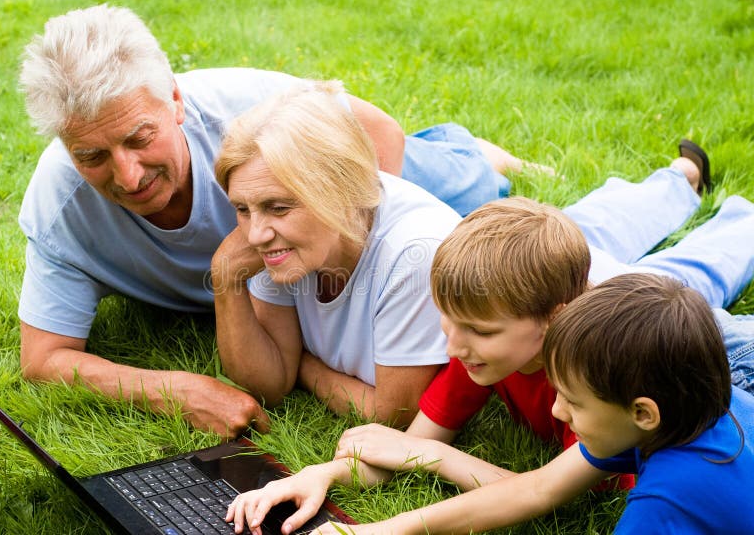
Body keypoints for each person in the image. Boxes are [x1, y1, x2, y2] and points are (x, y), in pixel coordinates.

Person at [16, 4, 544, 438]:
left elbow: (379, 134)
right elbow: (43, 359)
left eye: (139, 138)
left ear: (175, 101)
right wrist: (177, 385)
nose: (128, 177)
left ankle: (475, 152)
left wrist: (354, 244)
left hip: (359, 189)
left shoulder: (251, 114)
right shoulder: (59, 207)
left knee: (472, 184)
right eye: (92, 156)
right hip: (293, 258)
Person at [222, 143, 754, 533]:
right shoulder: (488, 344)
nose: (452, 347)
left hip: (707, 345)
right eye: (448, 322)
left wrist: (424, 456)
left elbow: (544, 489)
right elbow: (413, 443)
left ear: (552, 320)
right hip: (596, 288)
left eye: (476, 330)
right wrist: (323, 474)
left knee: (698, 270)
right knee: (601, 225)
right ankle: (679, 177)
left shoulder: (601, 387)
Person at [319, 275, 753, 534]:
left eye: (573, 401)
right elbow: (536, 489)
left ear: (643, 412)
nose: (557, 411)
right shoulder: (677, 411)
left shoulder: (667, 497)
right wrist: (386, 529)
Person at [211, 83, 462, 428]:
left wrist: (304, 365)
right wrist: (226, 277)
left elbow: (392, 416)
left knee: (472, 168)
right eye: (242, 209)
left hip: (458, 178)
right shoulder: (283, 239)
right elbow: (269, 385)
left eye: (278, 208)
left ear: (341, 193)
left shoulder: (415, 253)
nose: (255, 235)